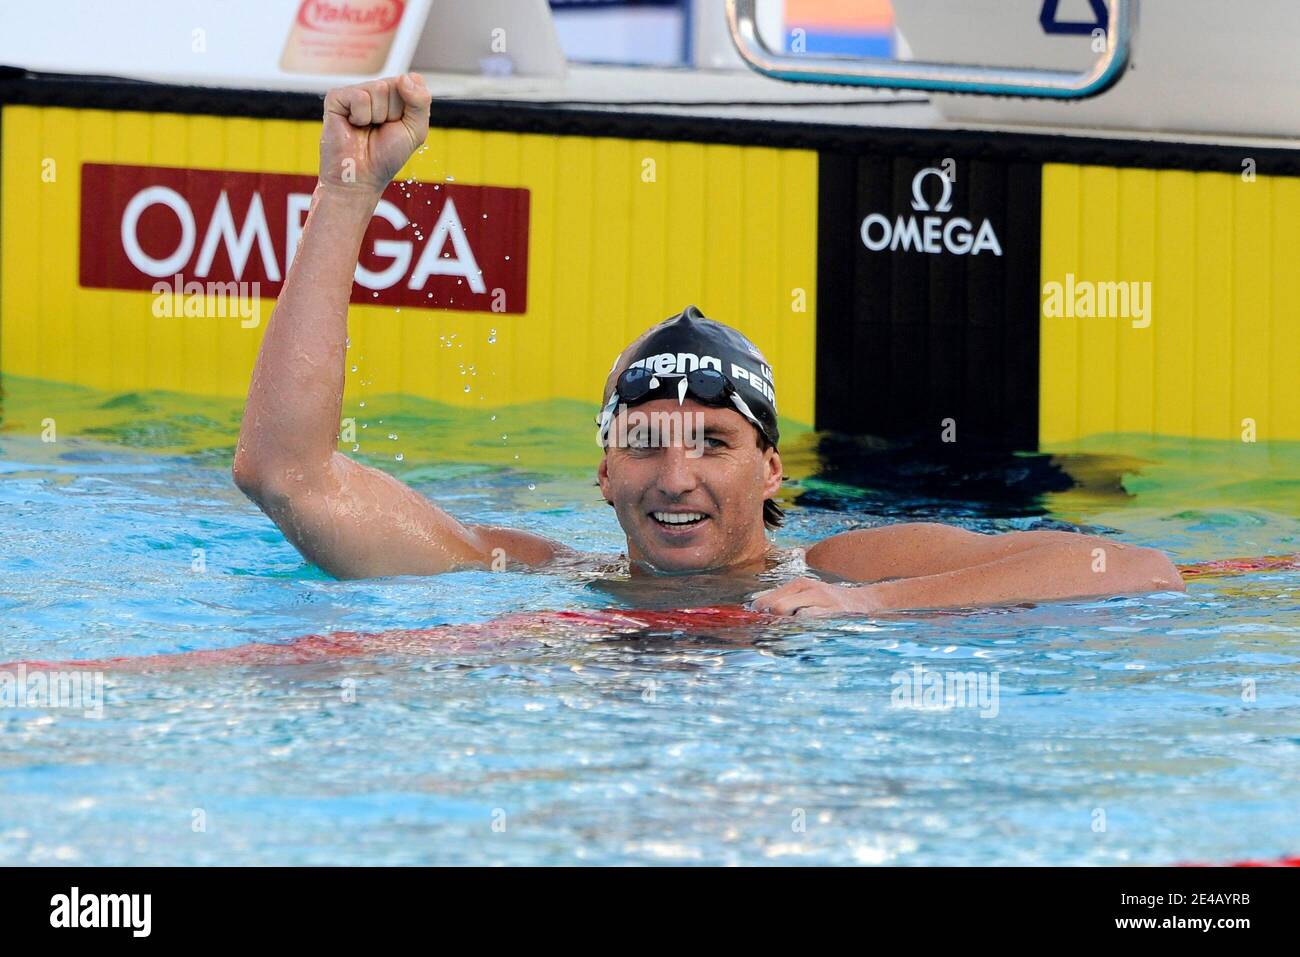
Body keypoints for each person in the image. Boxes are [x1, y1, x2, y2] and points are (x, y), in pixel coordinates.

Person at [232, 74, 1184, 616]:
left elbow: (1140, 570)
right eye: (644, 441)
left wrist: (874, 610)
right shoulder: (525, 574)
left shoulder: (841, 570)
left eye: (713, 443)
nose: (674, 475)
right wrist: (348, 193)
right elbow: (286, 474)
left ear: (772, 469)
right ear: (604, 470)